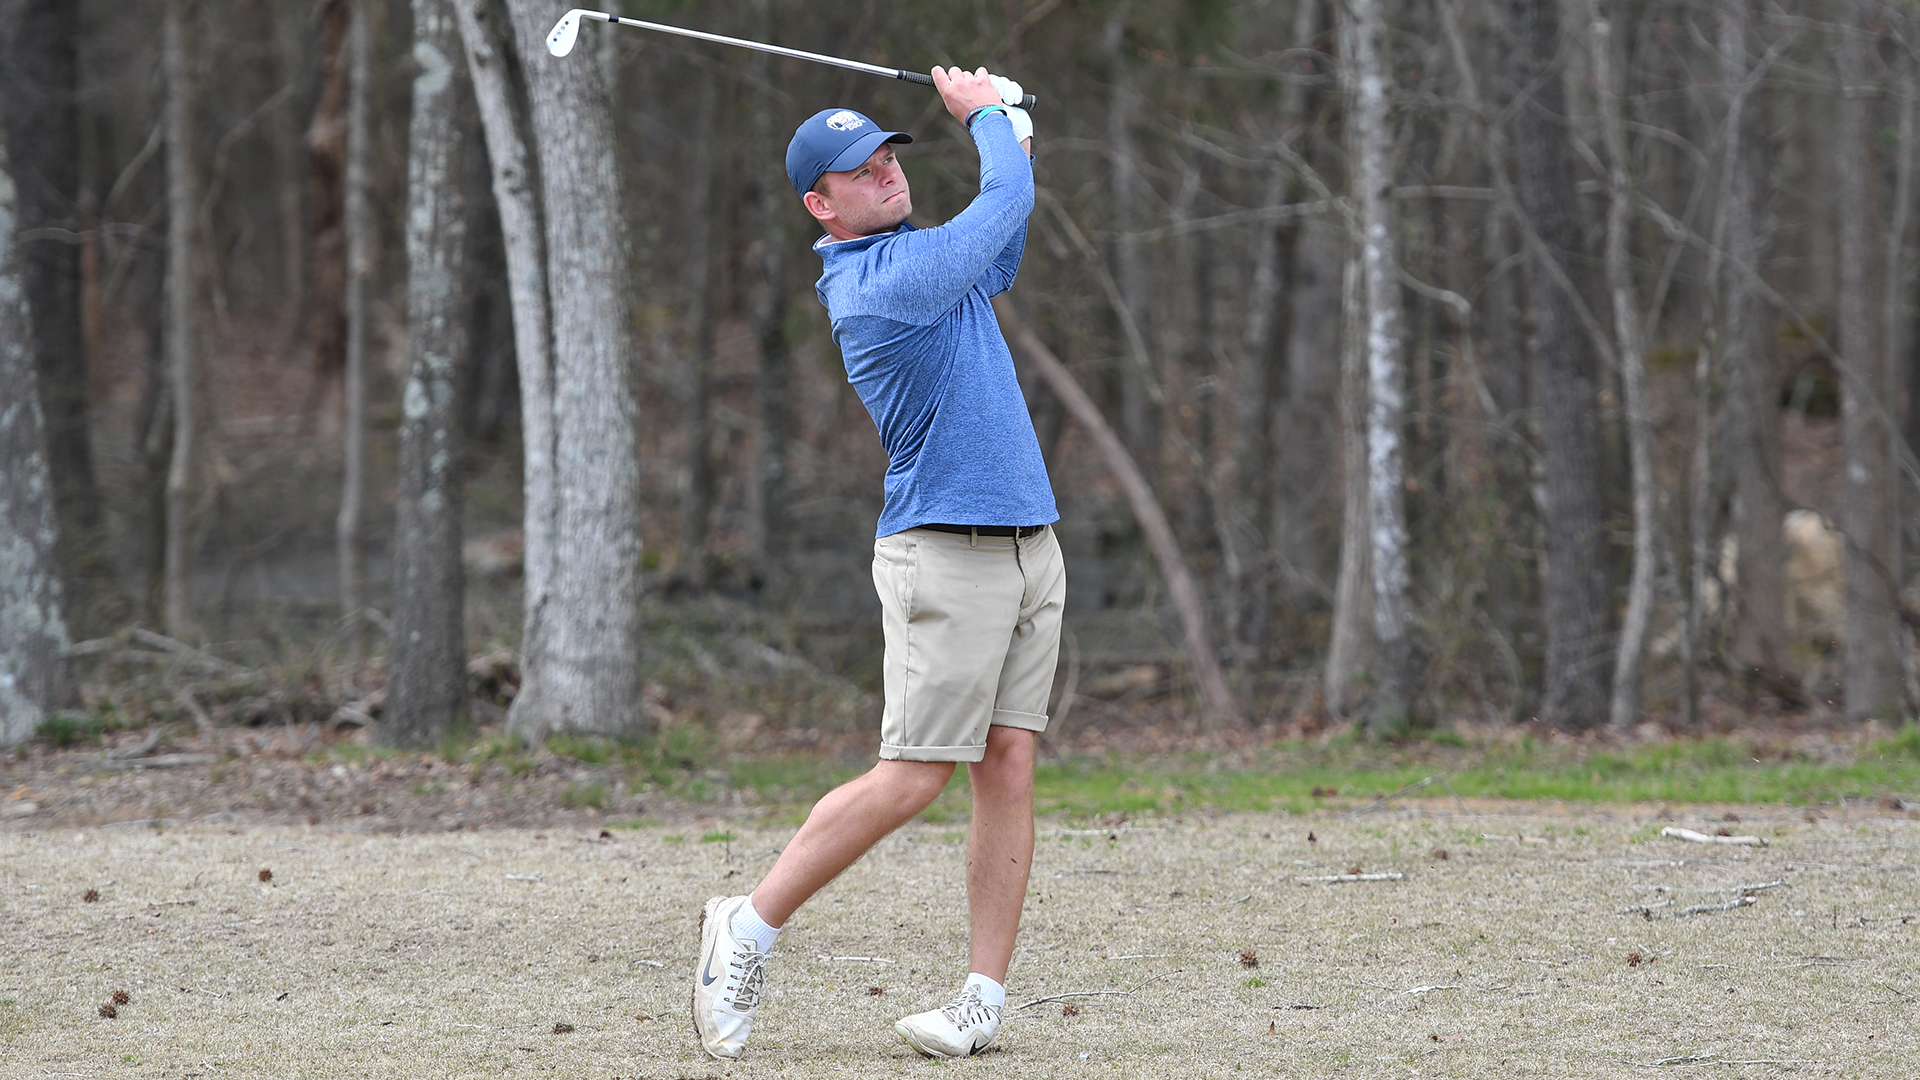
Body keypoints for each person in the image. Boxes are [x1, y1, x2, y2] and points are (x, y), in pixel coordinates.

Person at [691, 66, 1063, 1062]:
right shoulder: (879, 286)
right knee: (913, 776)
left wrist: (1013, 132)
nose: (887, 173)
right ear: (821, 205)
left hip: (1029, 539)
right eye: (860, 171)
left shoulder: (925, 257)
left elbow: (1003, 236)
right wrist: (985, 117)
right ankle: (749, 925)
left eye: (889, 156)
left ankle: (980, 1000)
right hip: (944, 551)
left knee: (1009, 763)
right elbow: (999, 209)